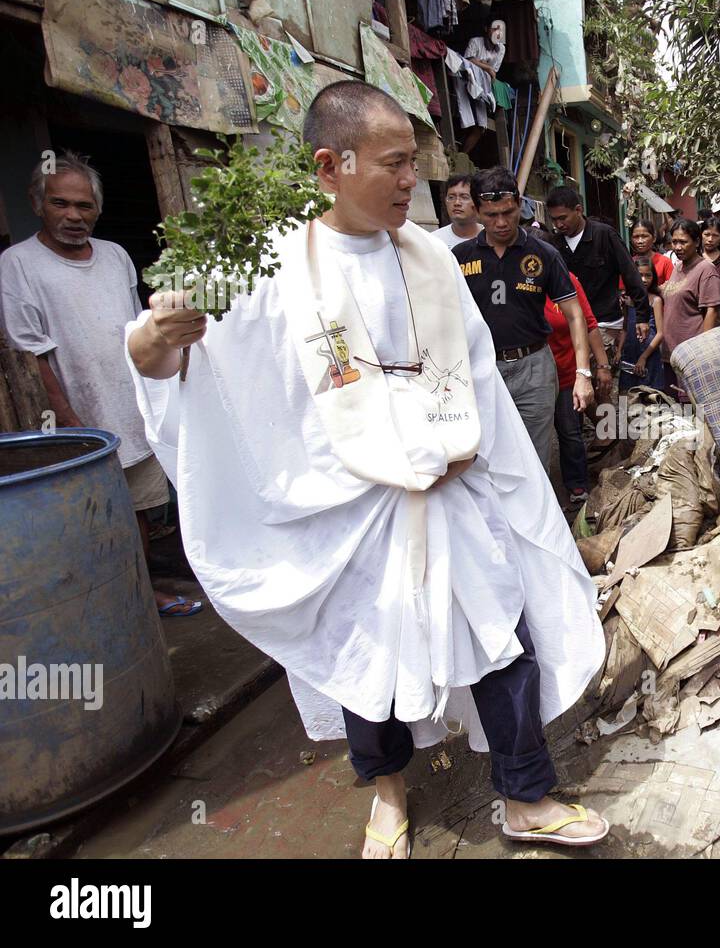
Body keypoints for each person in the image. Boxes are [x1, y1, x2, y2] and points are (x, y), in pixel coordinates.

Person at [126, 81, 608, 858]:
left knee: (503, 637)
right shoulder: (271, 265)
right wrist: (159, 332)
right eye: (392, 164)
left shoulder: (430, 257)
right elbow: (165, 357)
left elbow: (475, 372)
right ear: (331, 165)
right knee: (364, 659)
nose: (410, 180)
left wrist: (488, 463)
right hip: (356, 507)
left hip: (454, 490)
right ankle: (386, 793)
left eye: (412, 163)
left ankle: (526, 794)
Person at [0, 152, 201, 618]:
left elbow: (139, 328)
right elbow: (30, 352)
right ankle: (118, 603)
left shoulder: (114, 256)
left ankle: (143, 593)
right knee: (94, 514)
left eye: (84, 206)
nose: (73, 216)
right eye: (60, 204)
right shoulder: (18, 264)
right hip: (78, 411)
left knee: (140, 510)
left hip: (133, 404)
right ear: (38, 204)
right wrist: (68, 419)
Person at [453, 166, 597, 470]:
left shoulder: (543, 254)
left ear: (520, 205)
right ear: (477, 211)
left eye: (509, 212)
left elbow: (575, 316)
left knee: (534, 458)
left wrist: (583, 375)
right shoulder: (460, 257)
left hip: (534, 368)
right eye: (492, 215)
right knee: (487, 456)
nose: (502, 222)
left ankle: (538, 517)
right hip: (481, 369)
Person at [543, 186, 650, 397]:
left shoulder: (604, 235)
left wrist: (642, 316)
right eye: (554, 219)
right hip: (568, 327)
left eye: (563, 218)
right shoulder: (554, 243)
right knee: (576, 387)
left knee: (600, 389)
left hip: (603, 323)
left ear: (578, 210)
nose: (558, 224)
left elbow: (630, 274)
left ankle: (607, 429)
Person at [545, 272, 605, 504]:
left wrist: (601, 366)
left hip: (568, 372)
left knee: (570, 431)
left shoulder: (566, 280)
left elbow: (588, 322)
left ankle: (577, 485)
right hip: (533, 375)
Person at [659, 218, 720, 401]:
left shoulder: (706, 270)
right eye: (674, 242)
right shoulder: (678, 267)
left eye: (683, 242)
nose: (677, 247)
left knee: (691, 406)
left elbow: (711, 310)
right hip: (671, 352)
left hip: (691, 354)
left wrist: (702, 349)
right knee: (674, 405)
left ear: (696, 242)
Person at [452, 19, 506, 155]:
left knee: (481, 125)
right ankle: (455, 149)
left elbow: (494, 73)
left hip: (484, 88)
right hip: (467, 83)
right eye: (494, 29)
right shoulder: (475, 42)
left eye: (500, 30)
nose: (497, 33)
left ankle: (463, 155)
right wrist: (486, 67)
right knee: (464, 117)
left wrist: (480, 63)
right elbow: (467, 61)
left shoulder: (501, 49)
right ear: (486, 28)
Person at [628, 256, 665, 390]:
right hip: (630, 352)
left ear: (653, 277)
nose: (644, 280)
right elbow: (624, 329)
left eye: (648, 276)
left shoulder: (656, 300)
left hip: (649, 353)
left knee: (650, 396)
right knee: (627, 395)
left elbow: (660, 333)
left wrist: (644, 357)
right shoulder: (628, 300)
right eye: (640, 275)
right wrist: (619, 351)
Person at [430, 173, 482, 250]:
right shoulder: (435, 240)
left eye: (464, 197)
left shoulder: (490, 237)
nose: (457, 203)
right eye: (451, 197)